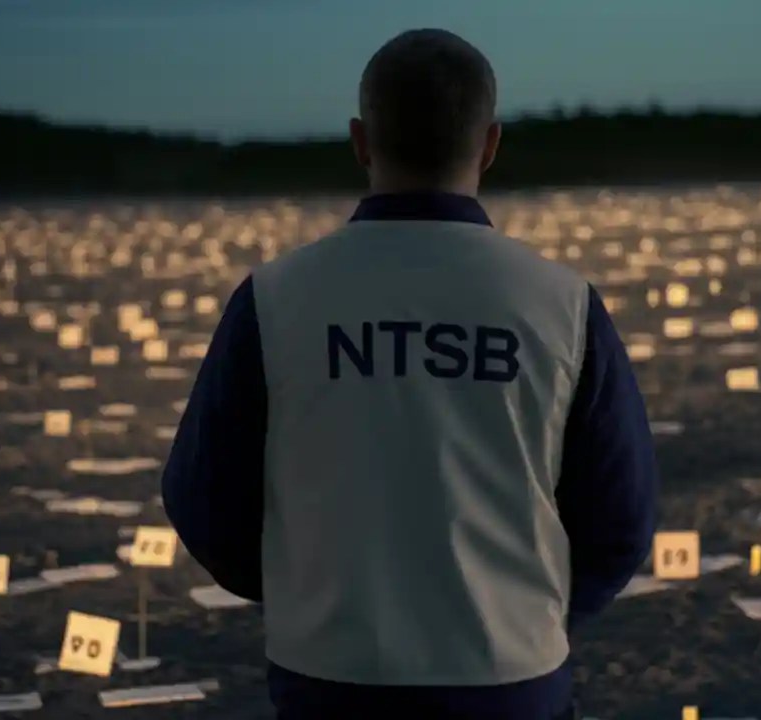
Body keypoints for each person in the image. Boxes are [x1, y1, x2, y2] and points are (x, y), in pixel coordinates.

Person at [162, 28, 657, 720]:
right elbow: (622, 518)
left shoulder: (275, 298)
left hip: (327, 676)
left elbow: (201, 499)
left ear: (361, 141)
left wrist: (306, 589)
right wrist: (526, 613)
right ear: (489, 145)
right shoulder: (563, 303)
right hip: (511, 679)